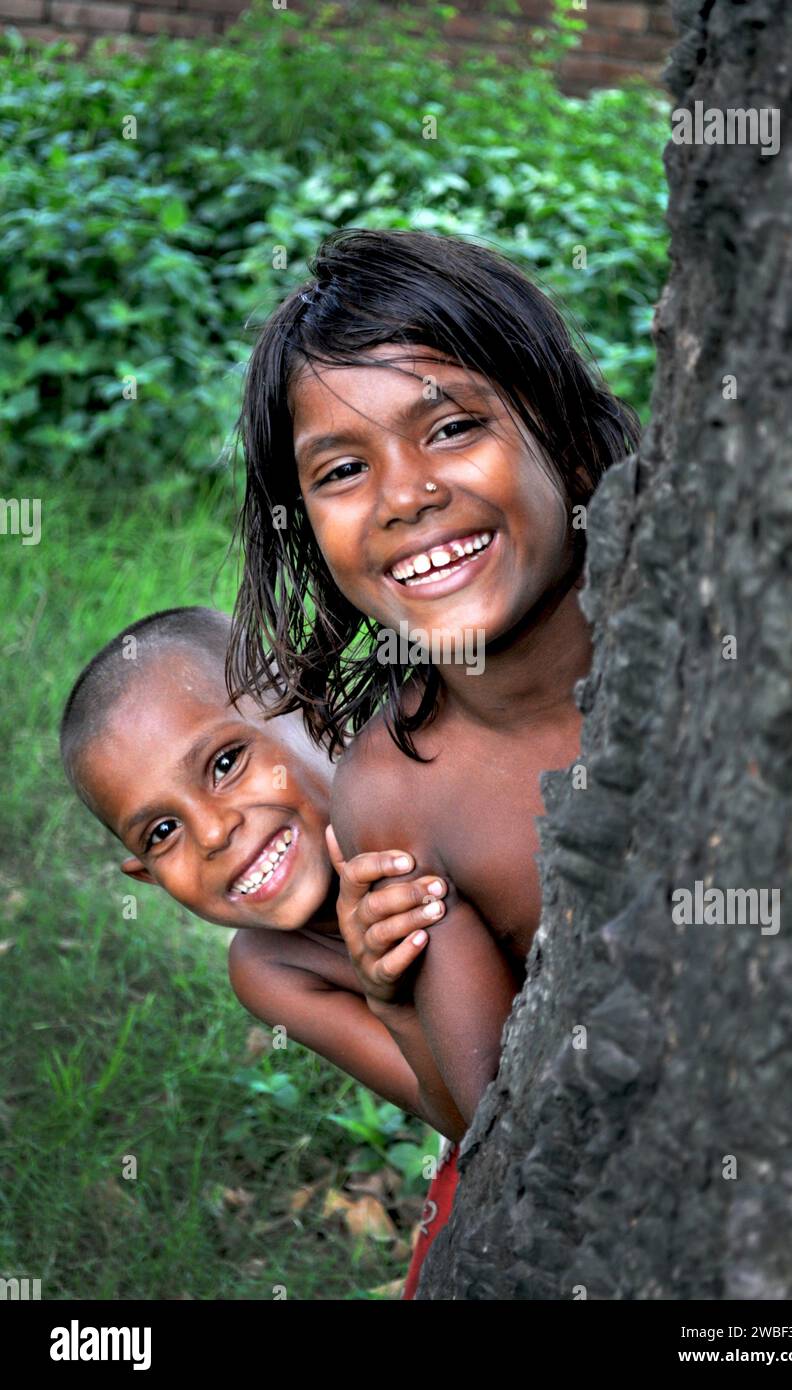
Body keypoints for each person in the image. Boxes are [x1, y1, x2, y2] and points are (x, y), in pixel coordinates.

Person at [227, 228, 641, 1132]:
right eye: (342, 471)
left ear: (569, 445)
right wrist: (391, 998)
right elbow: (492, 1125)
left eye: (452, 428)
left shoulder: (703, 630)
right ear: (309, 536)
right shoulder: (395, 799)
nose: (405, 495)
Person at [58, 604, 466, 1156]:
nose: (212, 833)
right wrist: (390, 1003)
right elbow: (470, 1121)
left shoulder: (429, 771)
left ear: (314, 711)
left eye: (225, 764)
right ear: (149, 877)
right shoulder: (271, 969)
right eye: (162, 830)